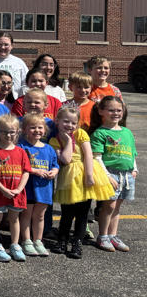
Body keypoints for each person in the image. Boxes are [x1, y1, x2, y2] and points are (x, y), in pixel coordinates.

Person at [50, 106, 114, 259]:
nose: (70, 126)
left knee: (82, 214)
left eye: (73, 123)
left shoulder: (80, 133)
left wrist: (89, 175)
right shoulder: (55, 140)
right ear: (57, 121)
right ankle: (62, 240)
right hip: (68, 180)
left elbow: (88, 154)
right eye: (66, 121)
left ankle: (77, 242)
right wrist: (66, 141)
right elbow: (65, 160)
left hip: (85, 175)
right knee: (66, 213)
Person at [90, 96, 138, 253]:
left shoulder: (127, 132)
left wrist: (134, 168)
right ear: (101, 111)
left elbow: (132, 153)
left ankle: (113, 235)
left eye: (119, 110)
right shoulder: (100, 133)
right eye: (111, 110)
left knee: (117, 206)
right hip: (110, 174)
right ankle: (103, 236)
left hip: (127, 175)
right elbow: (97, 157)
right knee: (108, 206)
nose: (115, 113)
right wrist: (107, 176)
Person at [0, 114, 31, 262]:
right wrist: (2, 189)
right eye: (4, 131)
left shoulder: (21, 151)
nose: (8, 135)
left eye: (12, 132)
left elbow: (26, 172)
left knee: (14, 219)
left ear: (18, 132)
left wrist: (18, 189)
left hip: (16, 192)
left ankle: (15, 244)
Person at [18, 113, 59, 257]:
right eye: (32, 127)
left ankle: (38, 240)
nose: (37, 130)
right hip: (28, 187)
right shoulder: (21, 146)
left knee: (40, 216)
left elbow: (55, 164)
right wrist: (34, 170)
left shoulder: (48, 148)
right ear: (24, 129)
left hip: (44, 188)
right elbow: (19, 165)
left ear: (45, 130)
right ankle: (26, 240)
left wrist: (54, 171)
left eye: (40, 127)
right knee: (26, 215)